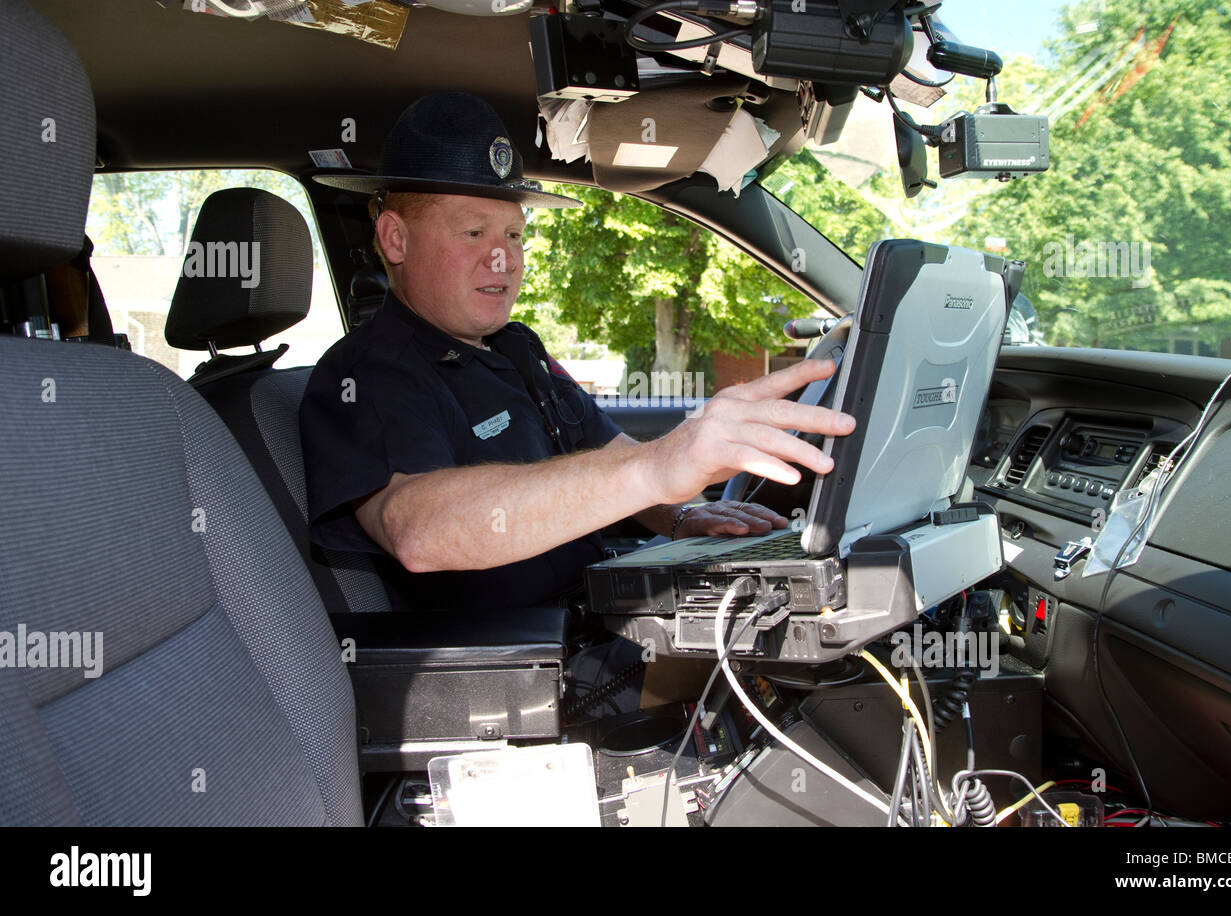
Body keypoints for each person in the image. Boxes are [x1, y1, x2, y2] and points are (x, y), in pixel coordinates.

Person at [301, 92, 854, 710]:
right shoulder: (366, 376)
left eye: (514, 232)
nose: (504, 257)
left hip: (608, 627)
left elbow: (603, 448)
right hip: (526, 683)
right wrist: (658, 466)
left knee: (826, 640)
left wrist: (676, 515)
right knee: (820, 702)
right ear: (395, 238)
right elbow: (418, 530)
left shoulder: (515, 348)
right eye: (474, 232)